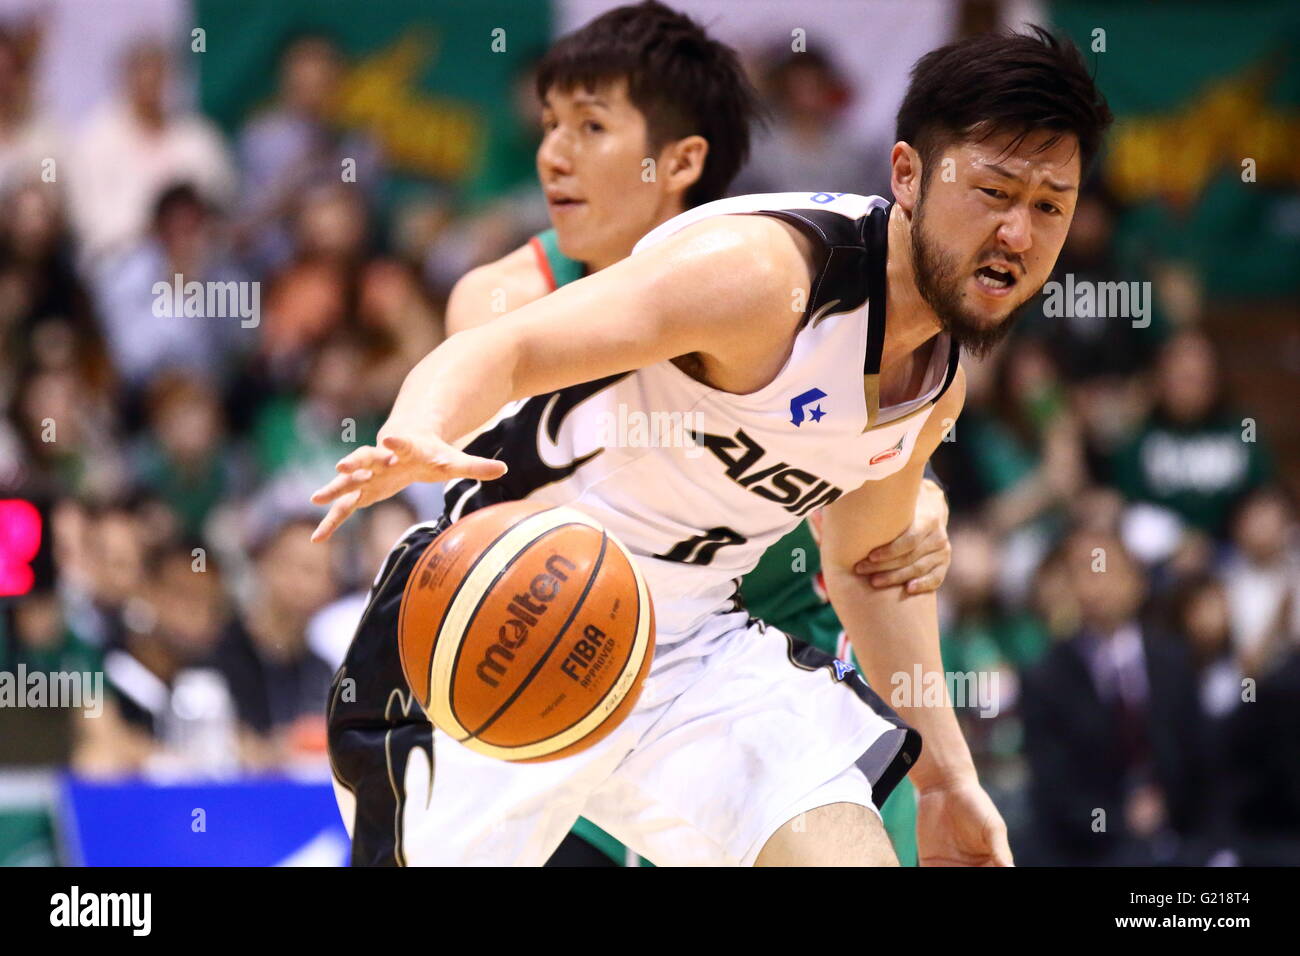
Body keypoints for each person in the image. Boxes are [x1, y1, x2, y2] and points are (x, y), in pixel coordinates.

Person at [313, 22, 1111, 866]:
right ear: (907, 174)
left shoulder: (938, 378)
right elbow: (503, 349)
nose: (1019, 234)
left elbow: (871, 564)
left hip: (694, 651)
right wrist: (417, 425)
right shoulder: (767, 275)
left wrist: (947, 781)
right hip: (508, 617)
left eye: (1049, 206)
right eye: (994, 192)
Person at [443, 1, 951, 867]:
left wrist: (915, 491)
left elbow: (854, 434)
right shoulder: (508, 300)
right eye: (549, 125)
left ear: (679, 161)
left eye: (590, 126)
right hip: (573, 669)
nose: (553, 155)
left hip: (761, 671)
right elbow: (502, 516)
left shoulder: (769, 279)